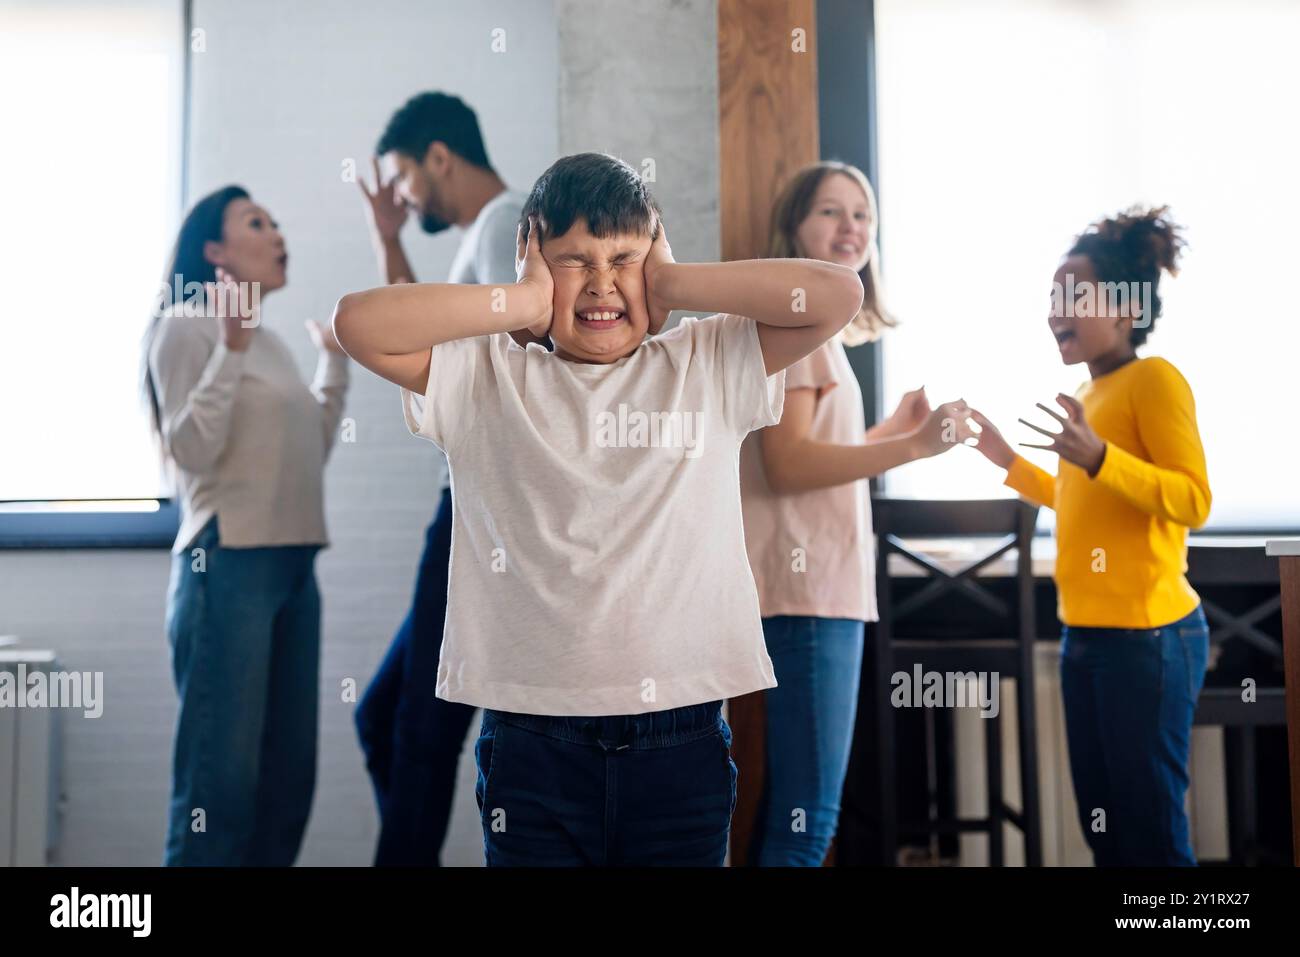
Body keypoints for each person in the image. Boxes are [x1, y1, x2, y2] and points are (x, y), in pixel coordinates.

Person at [335, 152, 969, 866]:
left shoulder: (704, 361)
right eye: (574, 260)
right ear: (533, 259)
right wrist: (517, 301)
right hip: (531, 746)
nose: (603, 282)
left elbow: (838, 295)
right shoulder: (484, 374)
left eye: (624, 259)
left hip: (682, 743)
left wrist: (672, 281)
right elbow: (359, 322)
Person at [968, 206, 1211, 866]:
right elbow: (1079, 501)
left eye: (1073, 293)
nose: (1056, 309)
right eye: (1052, 295)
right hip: (1086, 637)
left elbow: (1193, 499)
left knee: (1151, 830)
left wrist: (1101, 456)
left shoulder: (1154, 381)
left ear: (1126, 309)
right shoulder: (1088, 393)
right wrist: (1007, 460)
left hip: (1151, 639)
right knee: (1103, 827)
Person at [740, 160, 963, 866]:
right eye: (831, 212)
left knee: (798, 811)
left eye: (861, 214)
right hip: (808, 596)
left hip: (811, 590)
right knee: (811, 819)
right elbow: (789, 465)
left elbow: (811, 456)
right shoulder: (800, 316)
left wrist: (892, 433)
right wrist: (912, 447)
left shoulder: (815, 325)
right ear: (795, 228)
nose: (850, 227)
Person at [144, 185, 350, 865]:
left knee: (289, 786)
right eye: (257, 223)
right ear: (215, 251)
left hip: (295, 568)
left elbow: (306, 457)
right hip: (226, 564)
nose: (277, 232)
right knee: (219, 795)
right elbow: (190, 448)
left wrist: (334, 365)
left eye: (276, 221)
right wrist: (229, 348)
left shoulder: (273, 342)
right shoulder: (186, 325)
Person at [352, 91, 527, 867]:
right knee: (387, 715)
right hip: (463, 507)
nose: (405, 194)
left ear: (440, 158)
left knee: (421, 733)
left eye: (405, 178)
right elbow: (416, 325)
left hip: (476, 510)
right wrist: (387, 238)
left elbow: (515, 349)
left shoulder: (507, 220)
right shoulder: (479, 236)